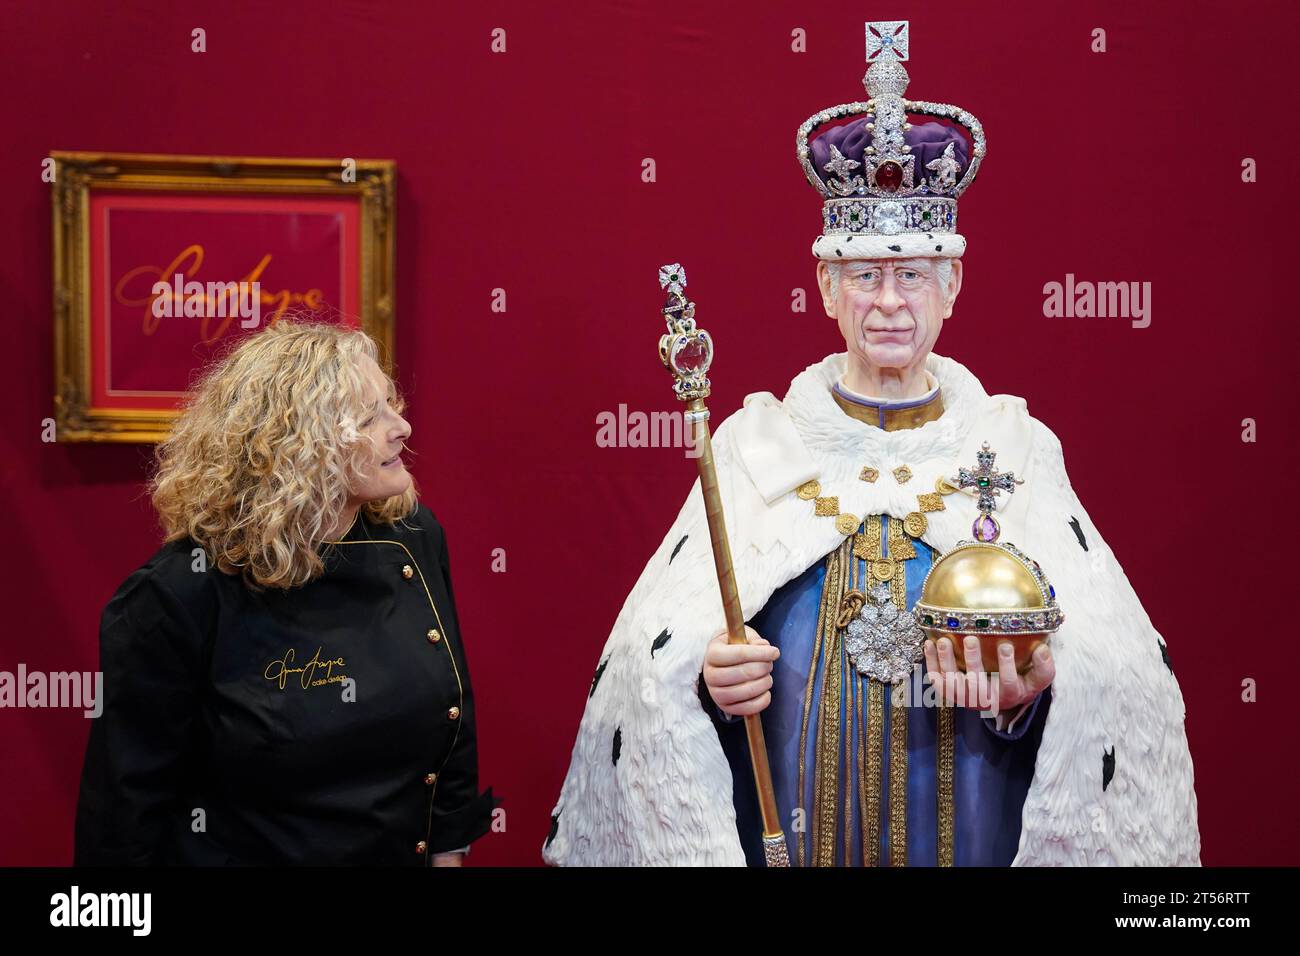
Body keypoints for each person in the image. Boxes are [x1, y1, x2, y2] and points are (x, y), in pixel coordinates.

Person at [543, 21, 1199, 866]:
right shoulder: (755, 444)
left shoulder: (1016, 447)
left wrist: (1030, 685)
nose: (889, 301)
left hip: (973, 818)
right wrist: (706, 681)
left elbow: (1113, 672)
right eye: (865, 275)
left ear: (952, 284)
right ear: (824, 286)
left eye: (914, 273)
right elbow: (649, 659)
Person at [74, 320, 495, 866]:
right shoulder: (178, 594)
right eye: (371, 417)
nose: (403, 427)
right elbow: (122, 821)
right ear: (301, 448)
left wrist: (446, 857)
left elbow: (452, 723)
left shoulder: (413, 536)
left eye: (392, 404)